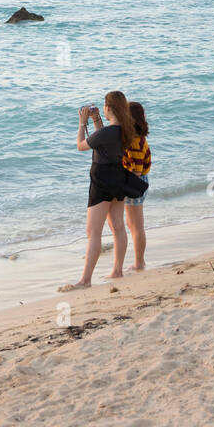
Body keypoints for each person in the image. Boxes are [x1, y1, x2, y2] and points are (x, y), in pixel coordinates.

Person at [59, 90, 148, 292]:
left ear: (109, 108)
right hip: (118, 179)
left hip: (101, 181)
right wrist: (97, 118)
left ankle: (85, 280)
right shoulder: (124, 130)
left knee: (93, 231)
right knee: (117, 226)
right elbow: (103, 138)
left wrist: (82, 123)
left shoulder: (109, 132)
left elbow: (81, 146)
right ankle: (117, 270)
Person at [122, 101, 151, 272]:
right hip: (138, 182)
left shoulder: (134, 140)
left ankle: (139, 263)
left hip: (135, 183)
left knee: (136, 225)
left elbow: (137, 170)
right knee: (133, 223)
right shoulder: (137, 137)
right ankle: (138, 261)